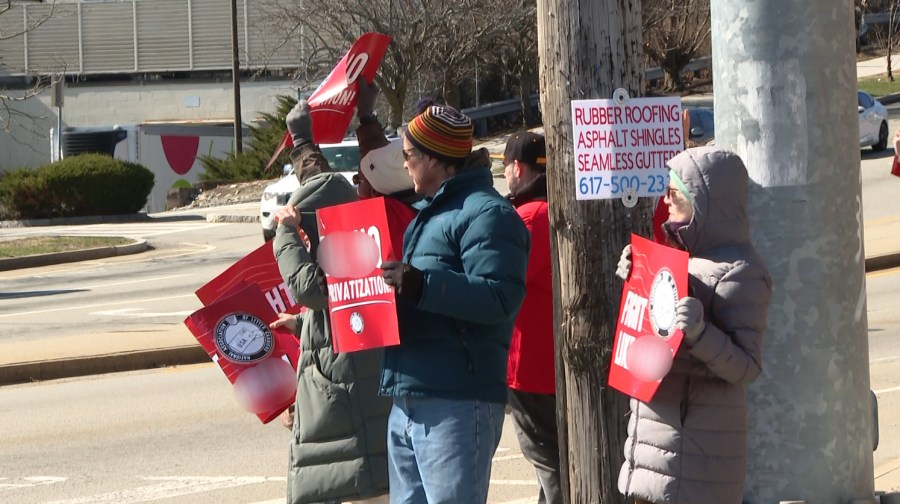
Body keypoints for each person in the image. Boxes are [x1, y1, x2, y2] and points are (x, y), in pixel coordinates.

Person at [378, 104, 530, 504]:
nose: (405, 164)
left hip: (457, 400)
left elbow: (500, 297)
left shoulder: (487, 214)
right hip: (408, 396)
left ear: (433, 158)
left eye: (408, 155)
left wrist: (421, 285)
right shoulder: (427, 216)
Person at [615, 146, 773, 504]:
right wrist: (637, 279)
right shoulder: (677, 257)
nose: (666, 200)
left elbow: (747, 367)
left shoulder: (741, 272)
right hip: (653, 452)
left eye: (675, 192)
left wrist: (700, 333)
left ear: (704, 200)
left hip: (694, 465)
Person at [272, 98, 391, 504]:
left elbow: (309, 288)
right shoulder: (362, 240)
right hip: (358, 425)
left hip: (355, 426)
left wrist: (285, 234)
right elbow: (336, 311)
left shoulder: (351, 251)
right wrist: (301, 325)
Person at [501, 131, 561, 504]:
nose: (505, 174)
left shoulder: (529, 217)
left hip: (530, 369)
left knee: (550, 467)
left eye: (505, 167)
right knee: (552, 468)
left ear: (518, 168)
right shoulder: (552, 208)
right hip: (548, 364)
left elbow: (503, 281)